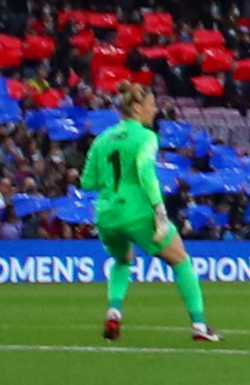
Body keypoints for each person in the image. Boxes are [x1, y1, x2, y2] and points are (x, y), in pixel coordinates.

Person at [79, 83, 214, 348]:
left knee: (123, 259)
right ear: (137, 108)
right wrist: (160, 212)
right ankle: (199, 325)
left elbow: (86, 182)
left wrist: (111, 182)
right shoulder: (145, 137)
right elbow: (144, 171)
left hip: (106, 214)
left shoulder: (102, 139)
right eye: (151, 105)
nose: (154, 111)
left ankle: (114, 312)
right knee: (181, 260)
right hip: (137, 212)